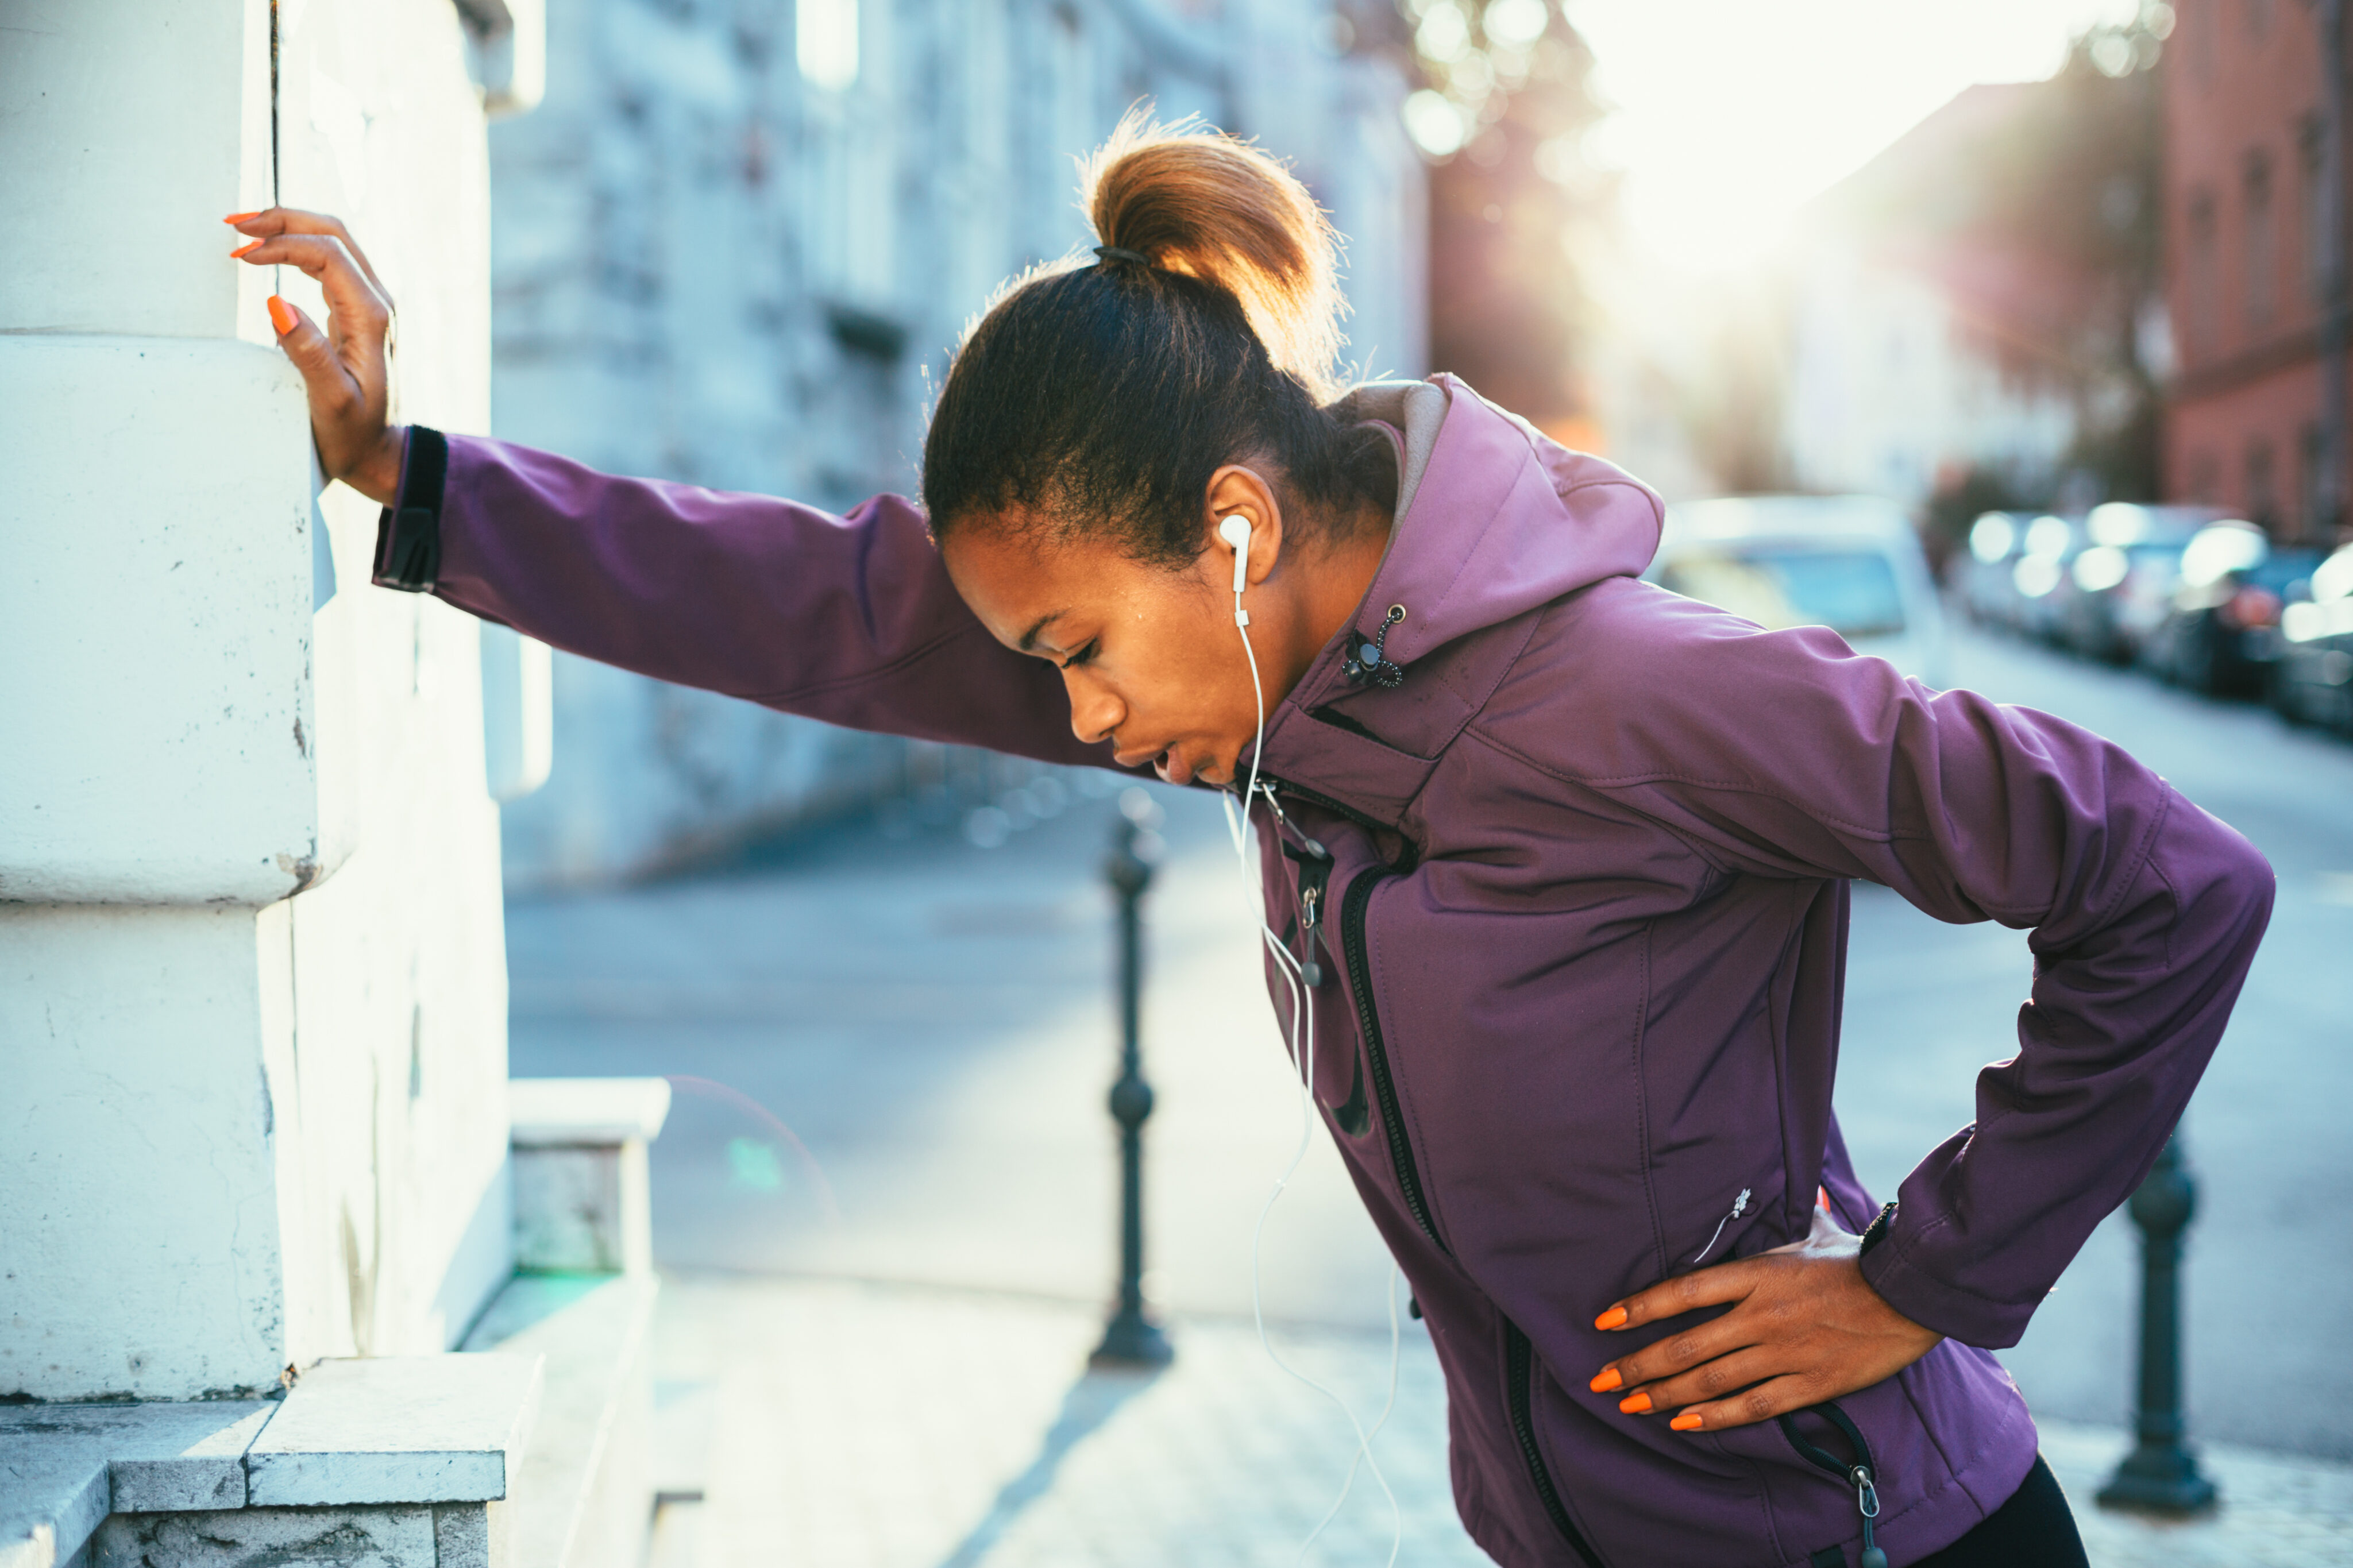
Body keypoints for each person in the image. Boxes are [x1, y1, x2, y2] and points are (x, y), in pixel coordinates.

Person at [229, 119, 2270, 1568]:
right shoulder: (1276, 689)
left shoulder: (1648, 692)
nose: (1080, 715)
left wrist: (1922, 1275)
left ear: (1233, 526)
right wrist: (409, 477)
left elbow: (2168, 878)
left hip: (1871, 1540)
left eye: (1080, 651)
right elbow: (815, 607)